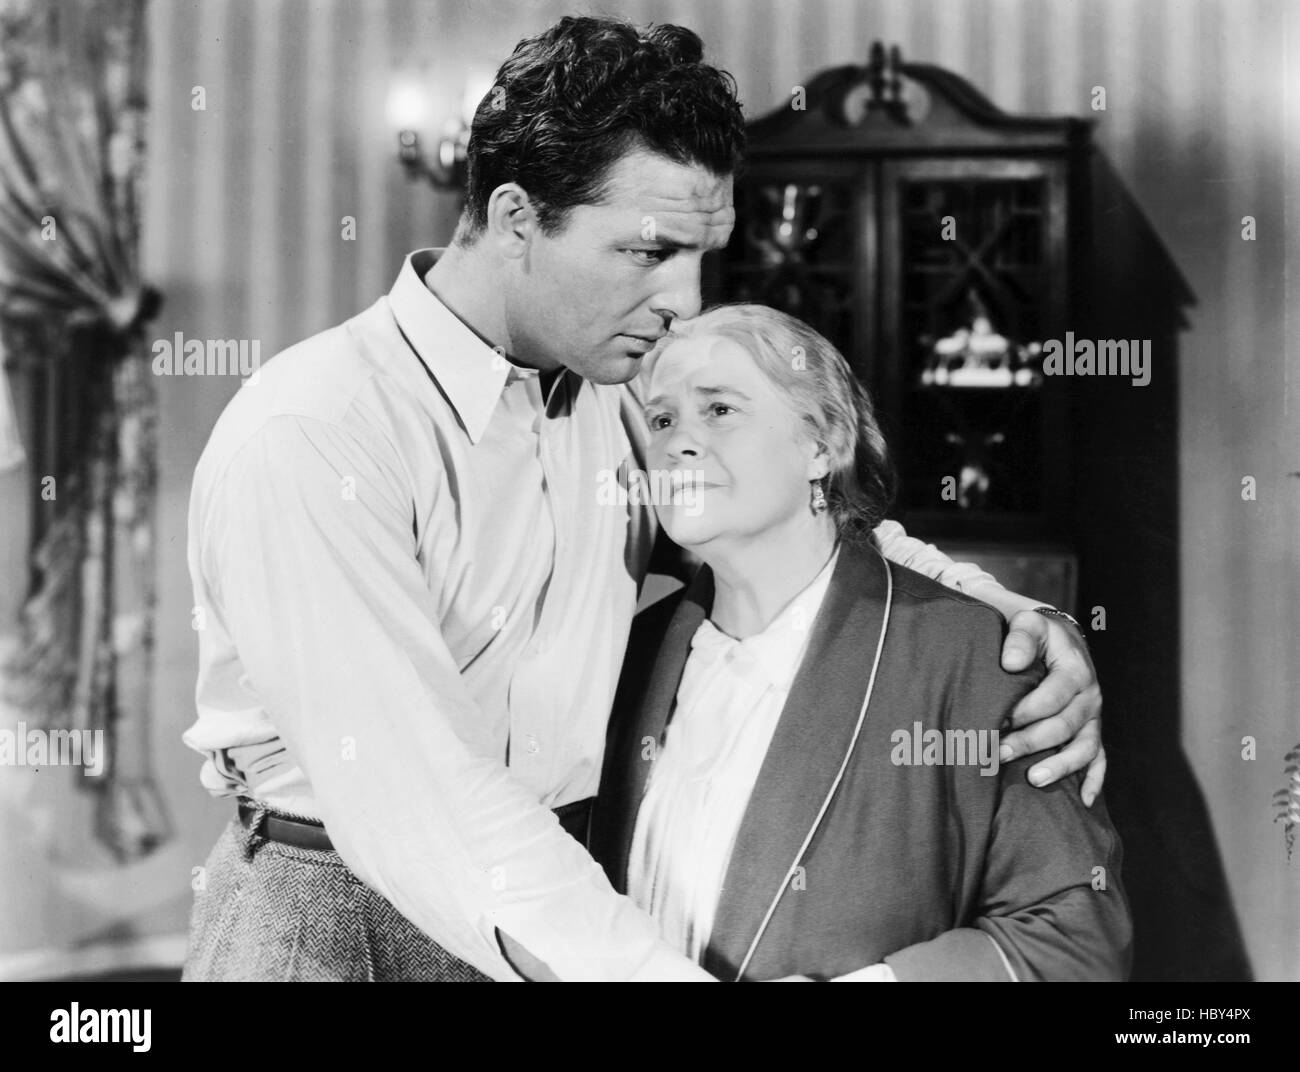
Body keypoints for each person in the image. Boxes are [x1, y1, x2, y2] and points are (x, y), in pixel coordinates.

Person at [181, 16, 1105, 983]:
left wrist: (1012, 613)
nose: (687, 301)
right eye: (649, 252)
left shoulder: (624, 397)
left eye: (701, 255)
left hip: (564, 894)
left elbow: (809, 522)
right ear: (514, 218)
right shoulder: (314, 432)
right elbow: (424, 802)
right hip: (339, 913)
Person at [590, 304, 1130, 981]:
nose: (678, 443)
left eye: (720, 410)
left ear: (821, 446)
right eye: (662, 419)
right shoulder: (627, 655)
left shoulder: (976, 655)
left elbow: (1074, 937)